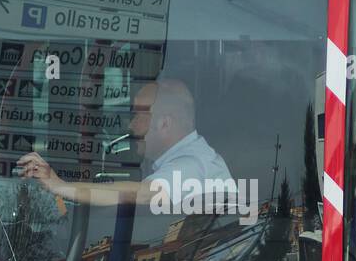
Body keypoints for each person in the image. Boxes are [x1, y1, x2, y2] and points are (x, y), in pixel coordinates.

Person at [15, 78, 232, 214]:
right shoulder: (194, 157)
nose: (131, 124)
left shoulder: (191, 165)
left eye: (139, 114)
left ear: (164, 123)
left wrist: (59, 186)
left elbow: (143, 194)